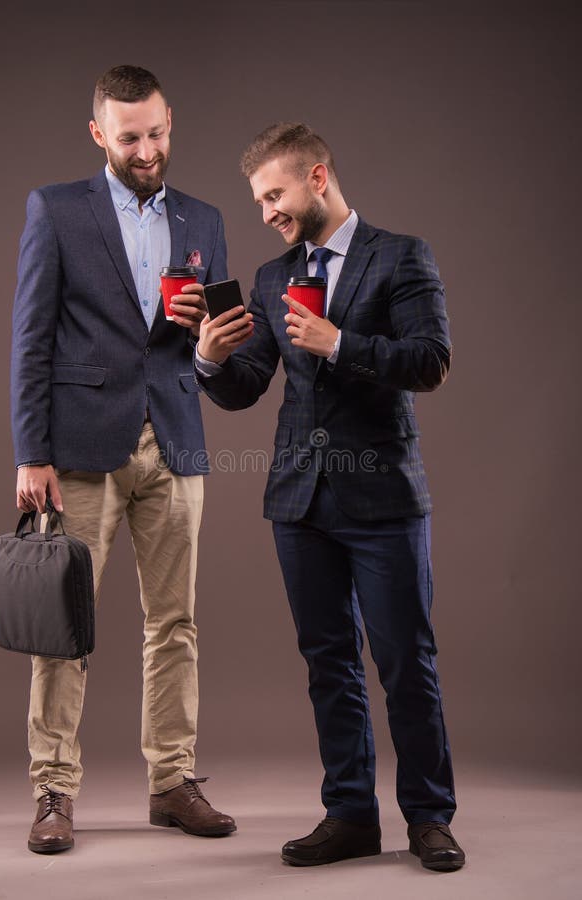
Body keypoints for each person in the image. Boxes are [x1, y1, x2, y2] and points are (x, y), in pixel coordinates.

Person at [195, 123, 465, 871]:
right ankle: (349, 815)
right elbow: (246, 387)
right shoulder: (271, 277)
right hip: (299, 504)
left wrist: (339, 341)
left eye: (274, 195)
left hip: (382, 500)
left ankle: (428, 818)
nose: (265, 213)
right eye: (256, 201)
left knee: (405, 662)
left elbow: (430, 361)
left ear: (317, 178)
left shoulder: (401, 256)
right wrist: (209, 357)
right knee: (328, 664)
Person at [11, 65, 236, 854]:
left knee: (175, 624)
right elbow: (30, 337)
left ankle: (172, 782)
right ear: (99, 134)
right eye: (130, 136)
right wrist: (29, 452)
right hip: (77, 449)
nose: (147, 150)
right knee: (63, 628)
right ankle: (53, 791)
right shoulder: (57, 210)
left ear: (170, 121)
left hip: (174, 441)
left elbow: (217, 351)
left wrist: (205, 331)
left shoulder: (204, 219)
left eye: (158, 132)